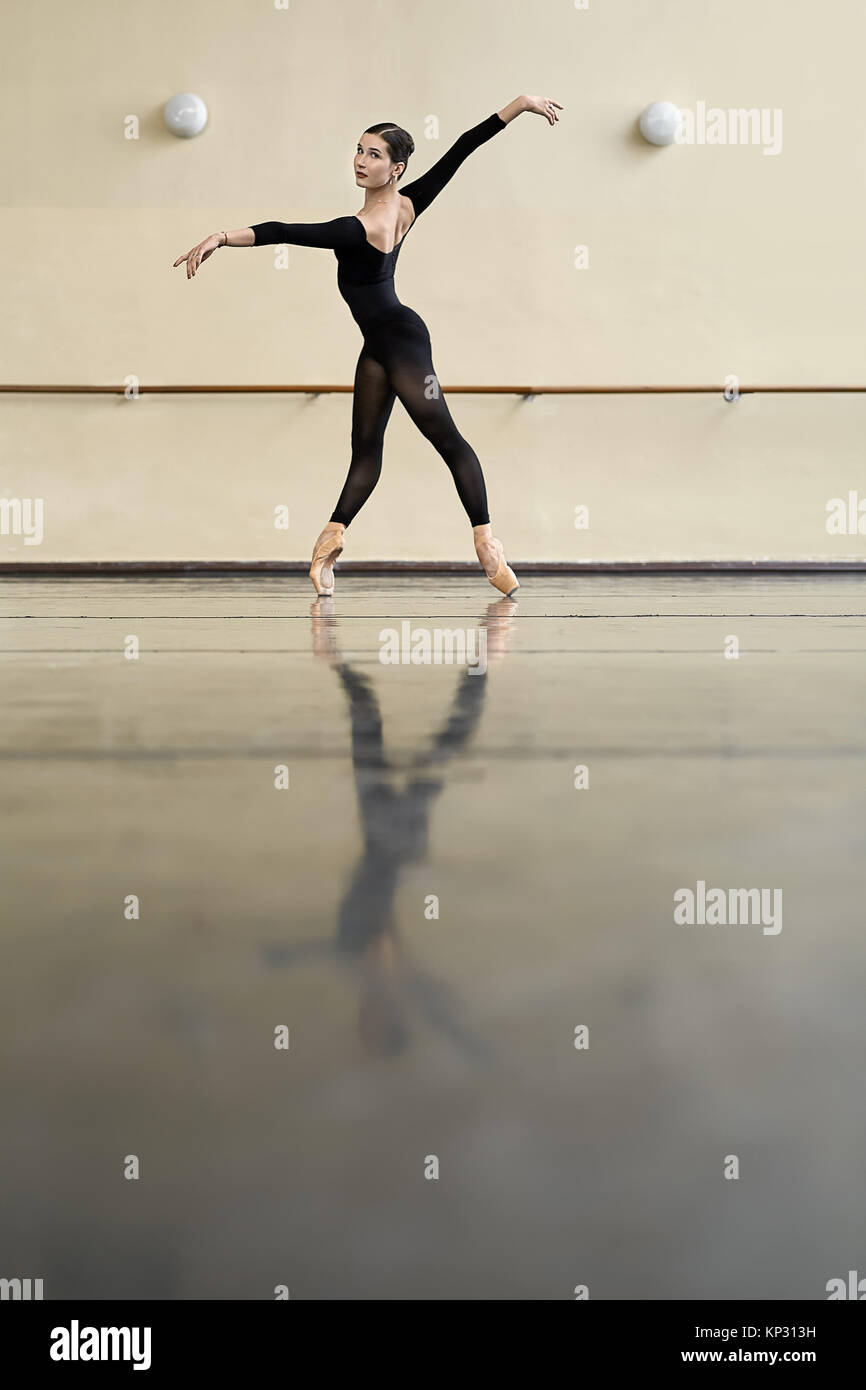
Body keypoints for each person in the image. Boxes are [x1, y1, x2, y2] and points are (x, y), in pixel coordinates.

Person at [174, 94, 562, 596]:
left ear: (396, 167)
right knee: (365, 451)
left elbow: (284, 231)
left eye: (374, 154)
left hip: (402, 341)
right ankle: (327, 547)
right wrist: (521, 105)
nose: (361, 160)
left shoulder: (355, 230)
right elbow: (464, 147)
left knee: (446, 439)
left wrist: (221, 237)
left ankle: (487, 544)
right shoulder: (408, 205)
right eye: (359, 150)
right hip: (378, 346)